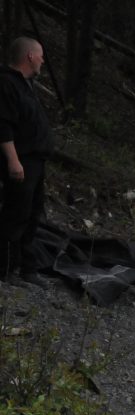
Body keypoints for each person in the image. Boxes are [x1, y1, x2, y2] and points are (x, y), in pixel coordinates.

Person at [0, 36, 53, 286]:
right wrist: (13, 161)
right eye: (40, 54)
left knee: (33, 214)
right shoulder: (7, 83)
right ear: (30, 56)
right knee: (16, 214)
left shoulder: (26, 85)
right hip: (21, 160)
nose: (42, 59)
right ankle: (7, 268)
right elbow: (3, 126)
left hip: (36, 161)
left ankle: (27, 268)